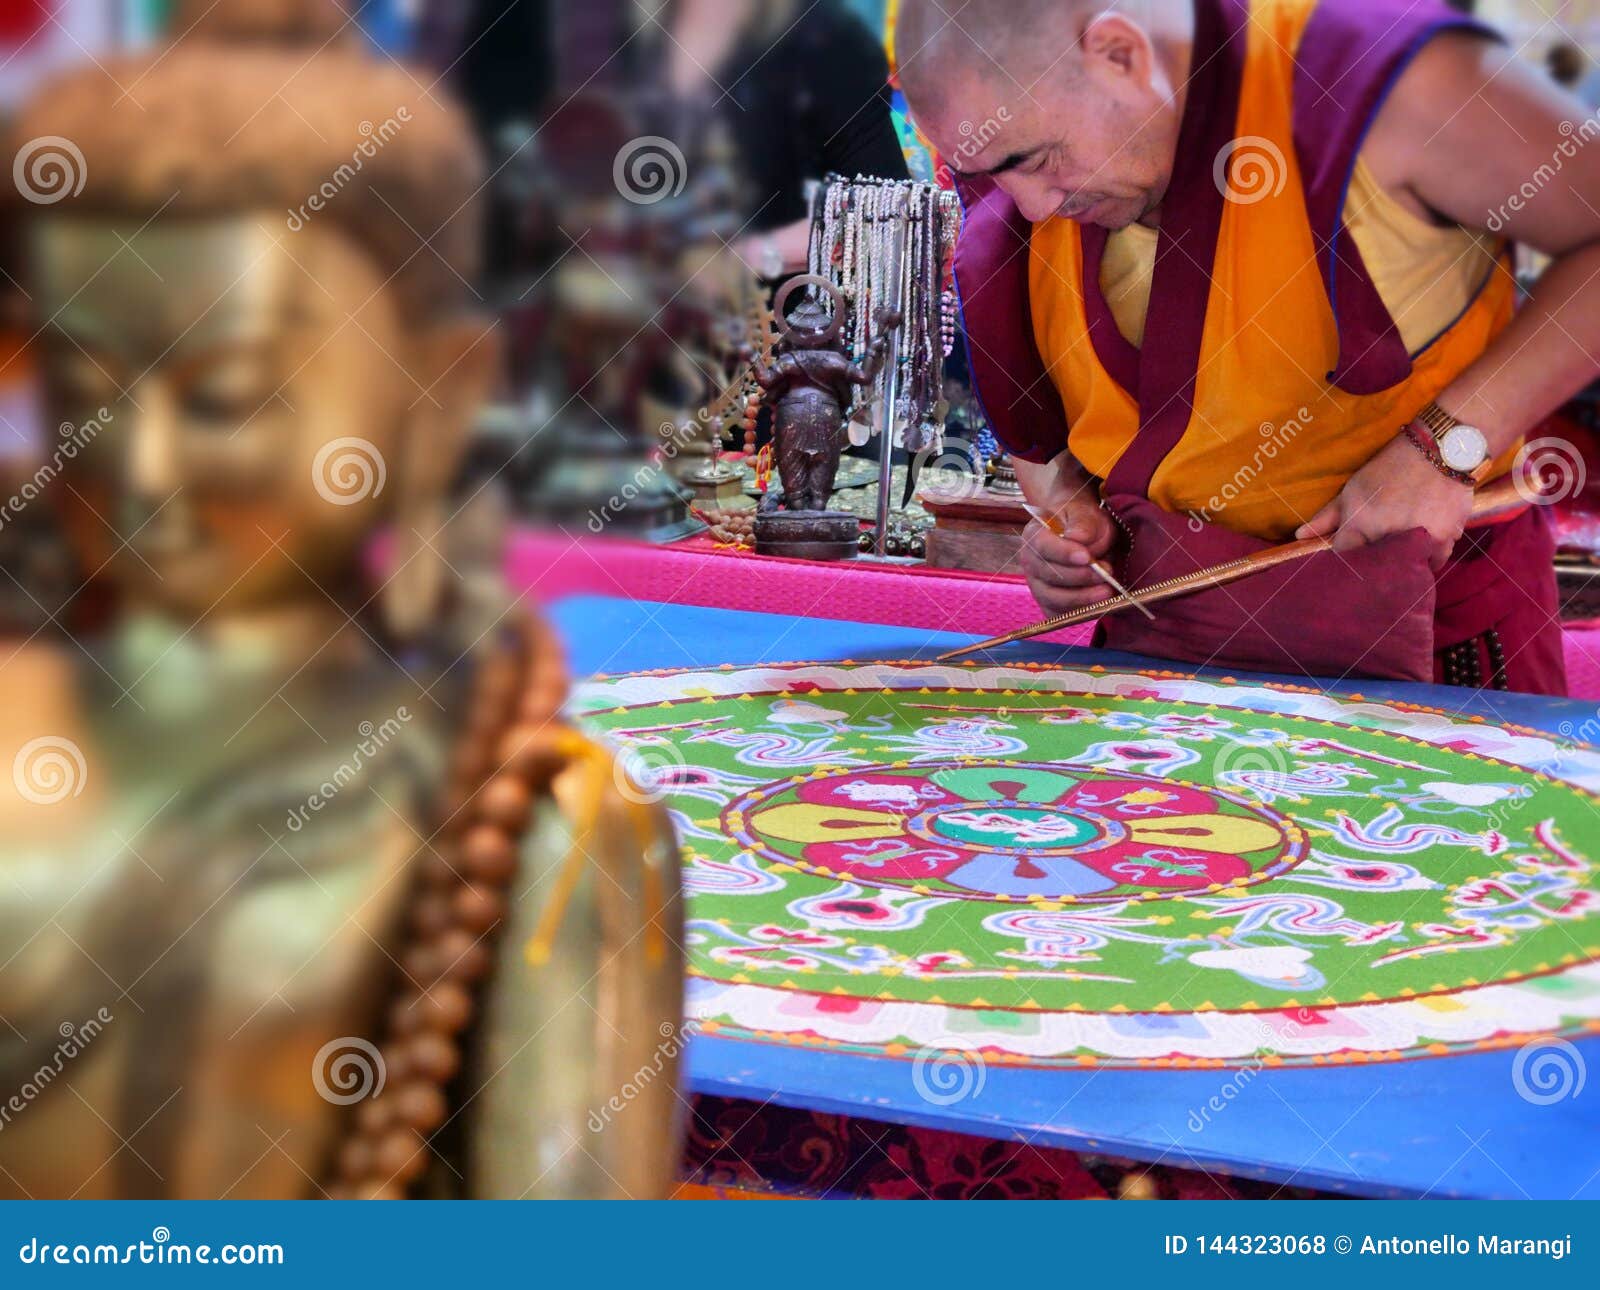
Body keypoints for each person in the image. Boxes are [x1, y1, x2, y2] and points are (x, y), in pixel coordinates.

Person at [893, 0, 1600, 694]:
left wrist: (1446, 449)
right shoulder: (1024, 191)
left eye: (1037, 158)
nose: (1034, 208)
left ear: (1119, 52)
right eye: (990, 173)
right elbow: (1060, 452)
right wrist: (1070, 527)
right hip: (1160, 673)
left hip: (1436, 661)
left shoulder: (1374, 72)